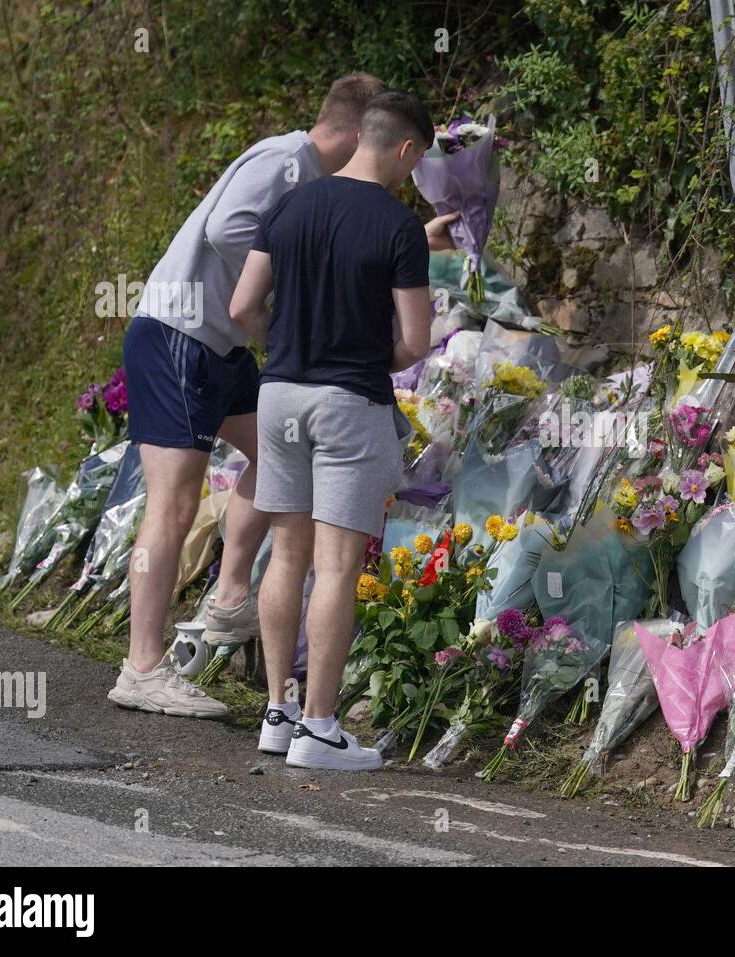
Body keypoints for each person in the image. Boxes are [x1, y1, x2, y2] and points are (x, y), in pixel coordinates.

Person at [108, 74, 386, 719]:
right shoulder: (284, 160)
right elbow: (231, 228)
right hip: (180, 335)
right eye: (369, 142)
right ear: (350, 134)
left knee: (283, 455)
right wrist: (285, 287)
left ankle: (229, 597)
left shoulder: (310, 177)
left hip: (223, 346)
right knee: (173, 505)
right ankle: (142, 668)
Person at [229, 90, 455, 769]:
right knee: (334, 564)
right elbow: (416, 343)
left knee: (286, 553)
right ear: (407, 150)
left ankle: (278, 712)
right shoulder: (396, 226)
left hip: (278, 396)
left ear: (360, 134)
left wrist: (291, 344)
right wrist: (360, 356)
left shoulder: (292, 203)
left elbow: (243, 304)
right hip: (347, 404)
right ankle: (321, 728)